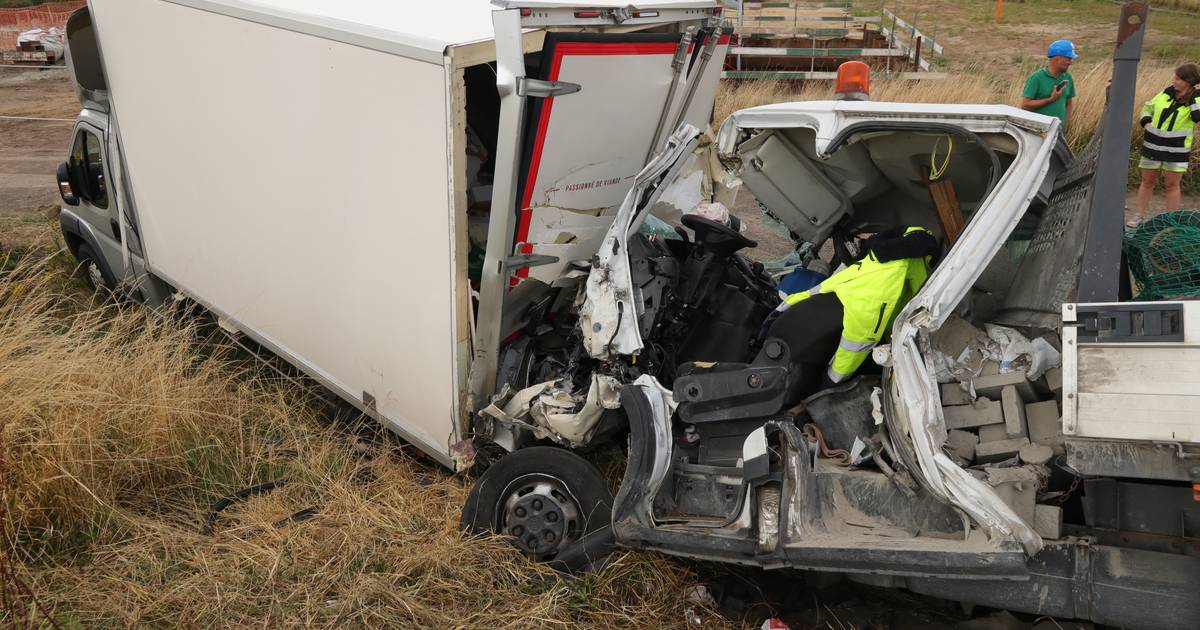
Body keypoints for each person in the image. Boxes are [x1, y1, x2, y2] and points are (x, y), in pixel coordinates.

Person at [767, 227, 939, 401]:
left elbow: (814, 291)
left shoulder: (869, 262)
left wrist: (777, 312)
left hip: (789, 332)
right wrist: (827, 387)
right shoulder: (901, 277)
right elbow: (852, 353)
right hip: (816, 344)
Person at [1129, 63, 1200, 227]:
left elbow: (1197, 116)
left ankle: (1170, 222)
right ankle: (1138, 216)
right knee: (1147, 182)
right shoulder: (1165, 93)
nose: (1173, 81)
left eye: (1178, 79)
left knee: (1171, 185)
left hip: (1176, 151)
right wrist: (1146, 121)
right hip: (1152, 146)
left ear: (1188, 81)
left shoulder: (1196, 99)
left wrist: (1196, 94)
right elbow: (1148, 107)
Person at [1020, 39, 1078, 125]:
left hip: (1058, 133)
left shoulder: (1068, 77)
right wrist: (1050, 99)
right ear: (1057, 58)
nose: (1070, 62)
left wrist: (1065, 126)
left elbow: (1068, 104)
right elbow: (1025, 105)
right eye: (1069, 58)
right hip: (1037, 132)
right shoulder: (1036, 78)